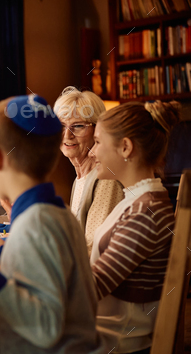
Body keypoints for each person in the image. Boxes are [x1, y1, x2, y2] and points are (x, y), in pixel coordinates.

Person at [0, 95, 106, 354]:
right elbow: (49, 267)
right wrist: (1, 250)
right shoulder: (57, 212)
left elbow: (44, 327)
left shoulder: (35, 222)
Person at [89, 101, 180, 354]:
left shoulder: (144, 212)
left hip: (115, 342)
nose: (91, 152)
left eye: (97, 142)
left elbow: (88, 290)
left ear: (126, 147)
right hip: (104, 331)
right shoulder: (139, 201)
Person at [54, 86, 124, 254]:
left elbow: (94, 248)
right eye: (61, 126)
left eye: (77, 126)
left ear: (97, 130)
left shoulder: (106, 179)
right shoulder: (80, 178)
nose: (67, 135)